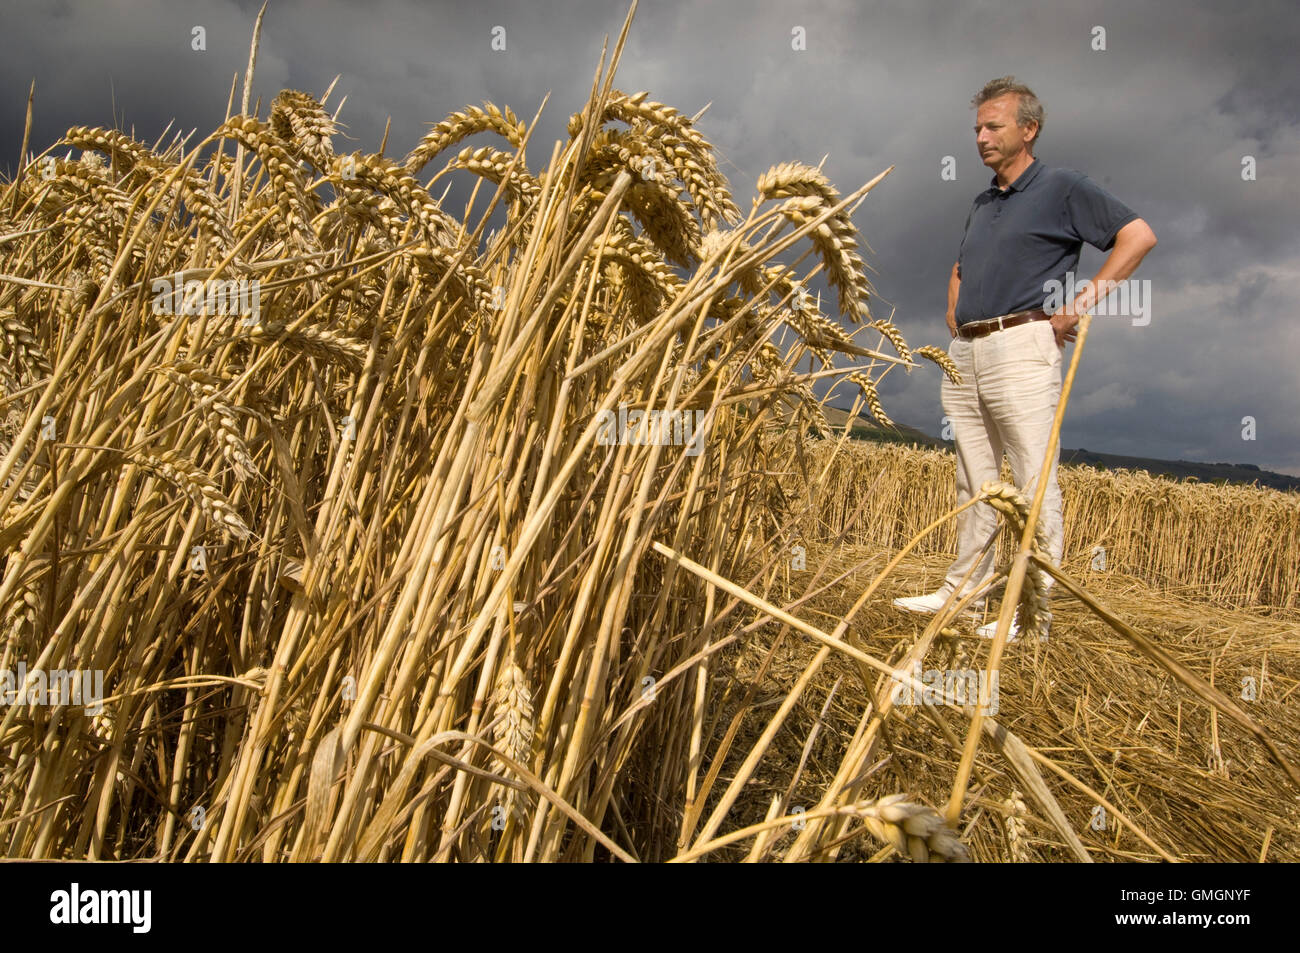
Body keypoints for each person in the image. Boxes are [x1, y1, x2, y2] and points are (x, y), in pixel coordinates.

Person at [893, 76, 1157, 640]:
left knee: (1033, 480)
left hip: (1024, 341)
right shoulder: (983, 199)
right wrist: (954, 308)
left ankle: (1028, 612)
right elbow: (962, 262)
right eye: (977, 128)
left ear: (1029, 129)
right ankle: (962, 593)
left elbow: (1137, 237)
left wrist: (1079, 305)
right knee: (974, 478)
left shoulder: (1063, 186)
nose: (982, 137)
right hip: (966, 350)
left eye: (994, 126)